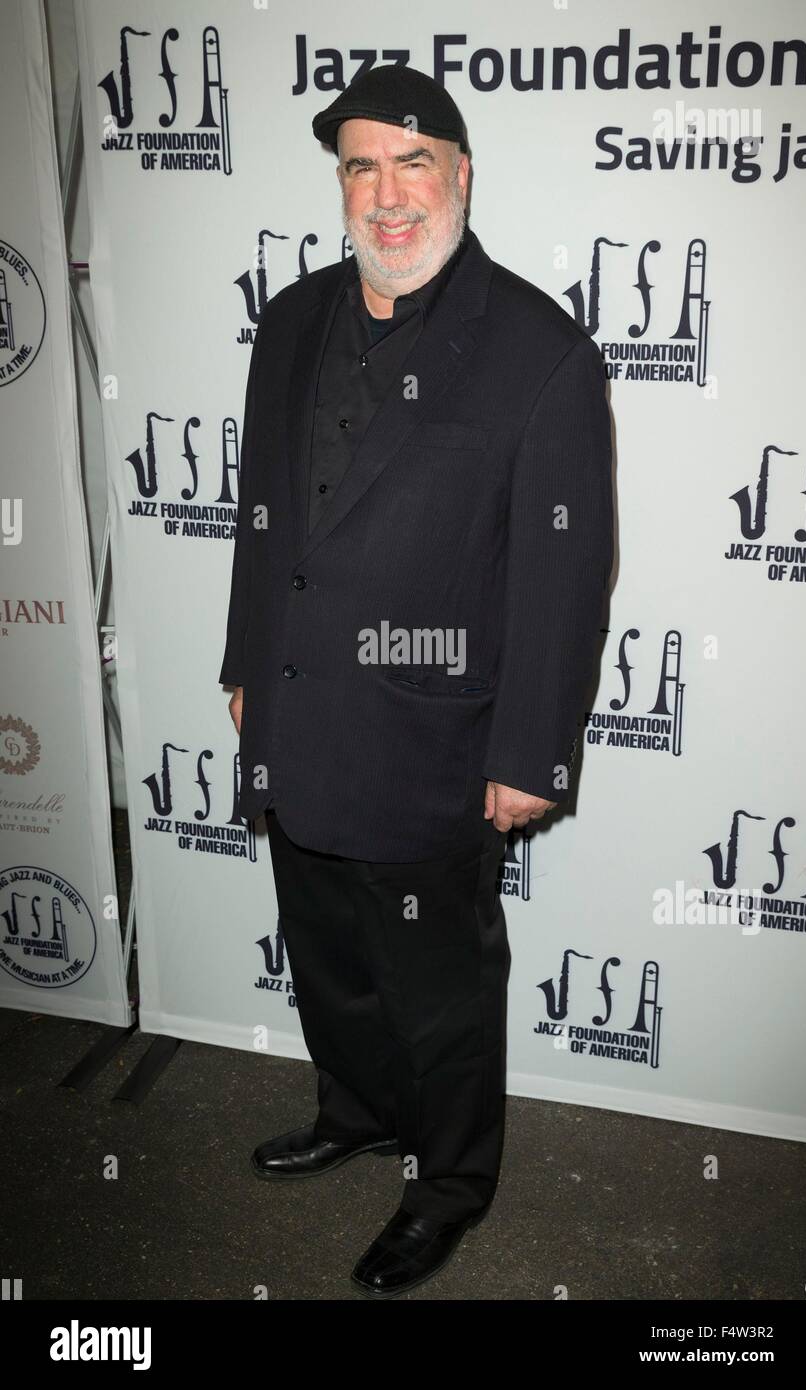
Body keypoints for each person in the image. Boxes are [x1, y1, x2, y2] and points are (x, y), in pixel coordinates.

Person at [219, 63, 614, 1298]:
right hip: (296, 709)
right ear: (341, 182)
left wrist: (529, 751)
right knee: (327, 951)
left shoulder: (537, 348)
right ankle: (356, 1111)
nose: (387, 195)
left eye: (412, 162)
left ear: (459, 173)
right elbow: (261, 515)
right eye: (360, 167)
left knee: (437, 989)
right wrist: (244, 664)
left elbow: (564, 575)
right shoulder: (289, 320)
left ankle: (444, 1186)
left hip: (433, 735)